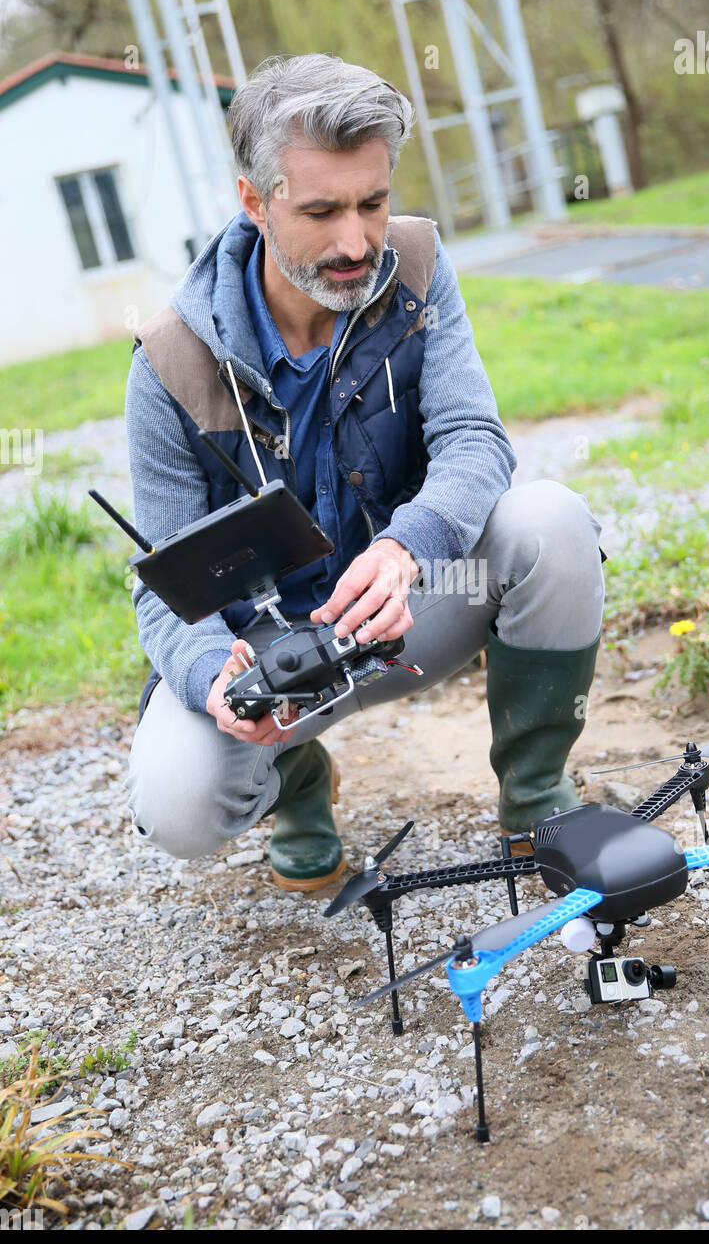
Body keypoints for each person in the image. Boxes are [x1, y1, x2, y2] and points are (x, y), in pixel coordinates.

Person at [123, 52, 606, 892]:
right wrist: (211, 680)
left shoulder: (415, 269)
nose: (357, 242)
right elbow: (162, 587)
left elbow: (474, 439)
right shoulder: (168, 364)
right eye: (321, 210)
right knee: (177, 804)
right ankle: (298, 779)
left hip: (408, 610)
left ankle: (535, 796)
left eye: (373, 202)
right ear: (254, 201)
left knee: (550, 520)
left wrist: (407, 546)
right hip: (269, 666)